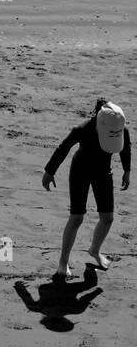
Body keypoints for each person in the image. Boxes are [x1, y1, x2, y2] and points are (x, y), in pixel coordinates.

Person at [42, 99, 130, 278]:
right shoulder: (83, 129)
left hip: (103, 173)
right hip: (80, 171)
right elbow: (63, 147)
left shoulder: (118, 127)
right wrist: (49, 171)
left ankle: (94, 251)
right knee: (77, 218)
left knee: (108, 218)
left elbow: (125, 148)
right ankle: (63, 263)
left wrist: (127, 171)